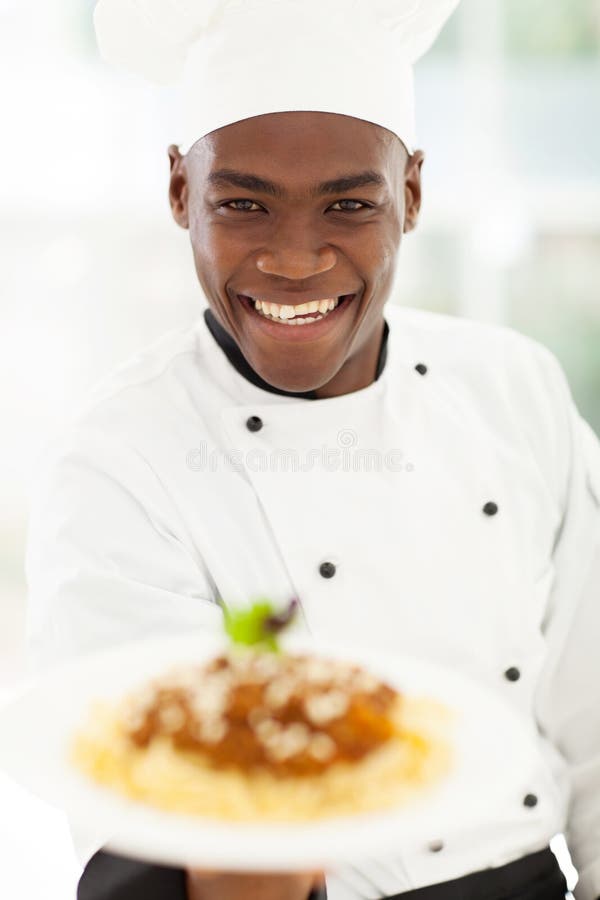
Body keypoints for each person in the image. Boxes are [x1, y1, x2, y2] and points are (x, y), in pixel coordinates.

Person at [25, 1, 600, 899]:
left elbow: (592, 703)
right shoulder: (118, 458)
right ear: (179, 191)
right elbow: (155, 806)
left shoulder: (512, 389)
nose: (295, 260)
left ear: (412, 193)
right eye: (243, 204)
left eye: (350, 204)